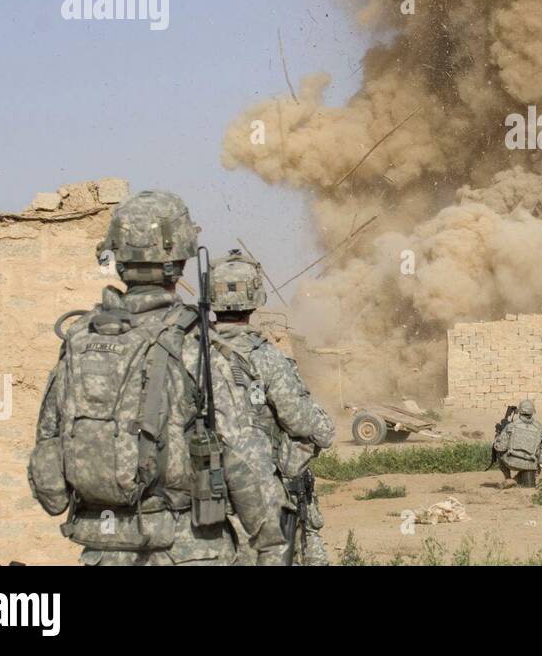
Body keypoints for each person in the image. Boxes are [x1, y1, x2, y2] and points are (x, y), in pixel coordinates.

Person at [27, 191, 286, 565]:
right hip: (188, 549)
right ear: (180, 259)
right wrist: (270, 543)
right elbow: (242, 456)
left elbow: (47, 446)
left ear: (117, 257)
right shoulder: (193, 345)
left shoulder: (80, 339)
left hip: (102, 550)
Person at [209, 249, 335, 565]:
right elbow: (305, 424)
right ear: (255, 298)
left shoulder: (189, 354)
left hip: (202, 500)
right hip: (261, 498)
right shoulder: (267, 358)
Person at [492, 398, 542, 488]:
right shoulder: (539, 428)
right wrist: (537, 461)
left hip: (511, 462)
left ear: (520, 411)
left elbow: (501, 447)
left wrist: (497, 439)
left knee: (498, 453)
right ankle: (520, 478)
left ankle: (508, 478)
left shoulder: (511, 426)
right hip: (531, 464)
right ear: (533, 412)